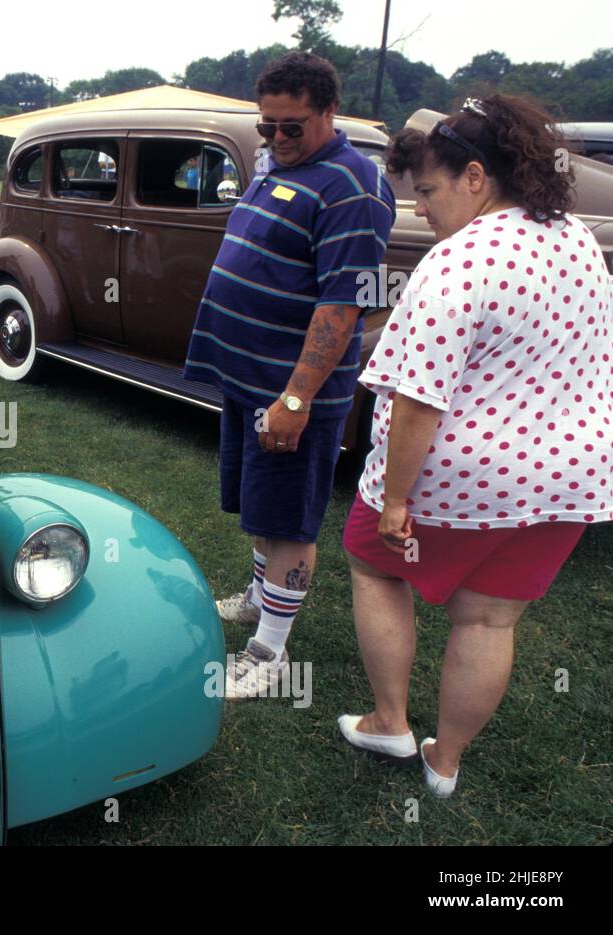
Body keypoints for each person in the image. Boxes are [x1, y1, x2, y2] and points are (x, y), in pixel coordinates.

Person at [336, 95, 611, 796]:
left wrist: (395, 499)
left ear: (476, 177)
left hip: (457, 474)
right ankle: (445, 763)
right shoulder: (576, 239)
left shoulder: (458, 261)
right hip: (569, 475)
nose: (419, 206)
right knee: (489, 616)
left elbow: (418, 398)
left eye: (426, 189)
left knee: (373, 566)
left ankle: (389, 720)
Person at [180, 51, 396, 698]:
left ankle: (269, 650)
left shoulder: (353, 189)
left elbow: (342, 303)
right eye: (265, 127)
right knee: (260, 507)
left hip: (293, 391)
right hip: (252, 379)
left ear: (331, 113)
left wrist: (298, 398)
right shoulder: (282, 164)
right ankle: (258, 595)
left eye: (291, 126)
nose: (275, 140)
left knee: (292, 523)